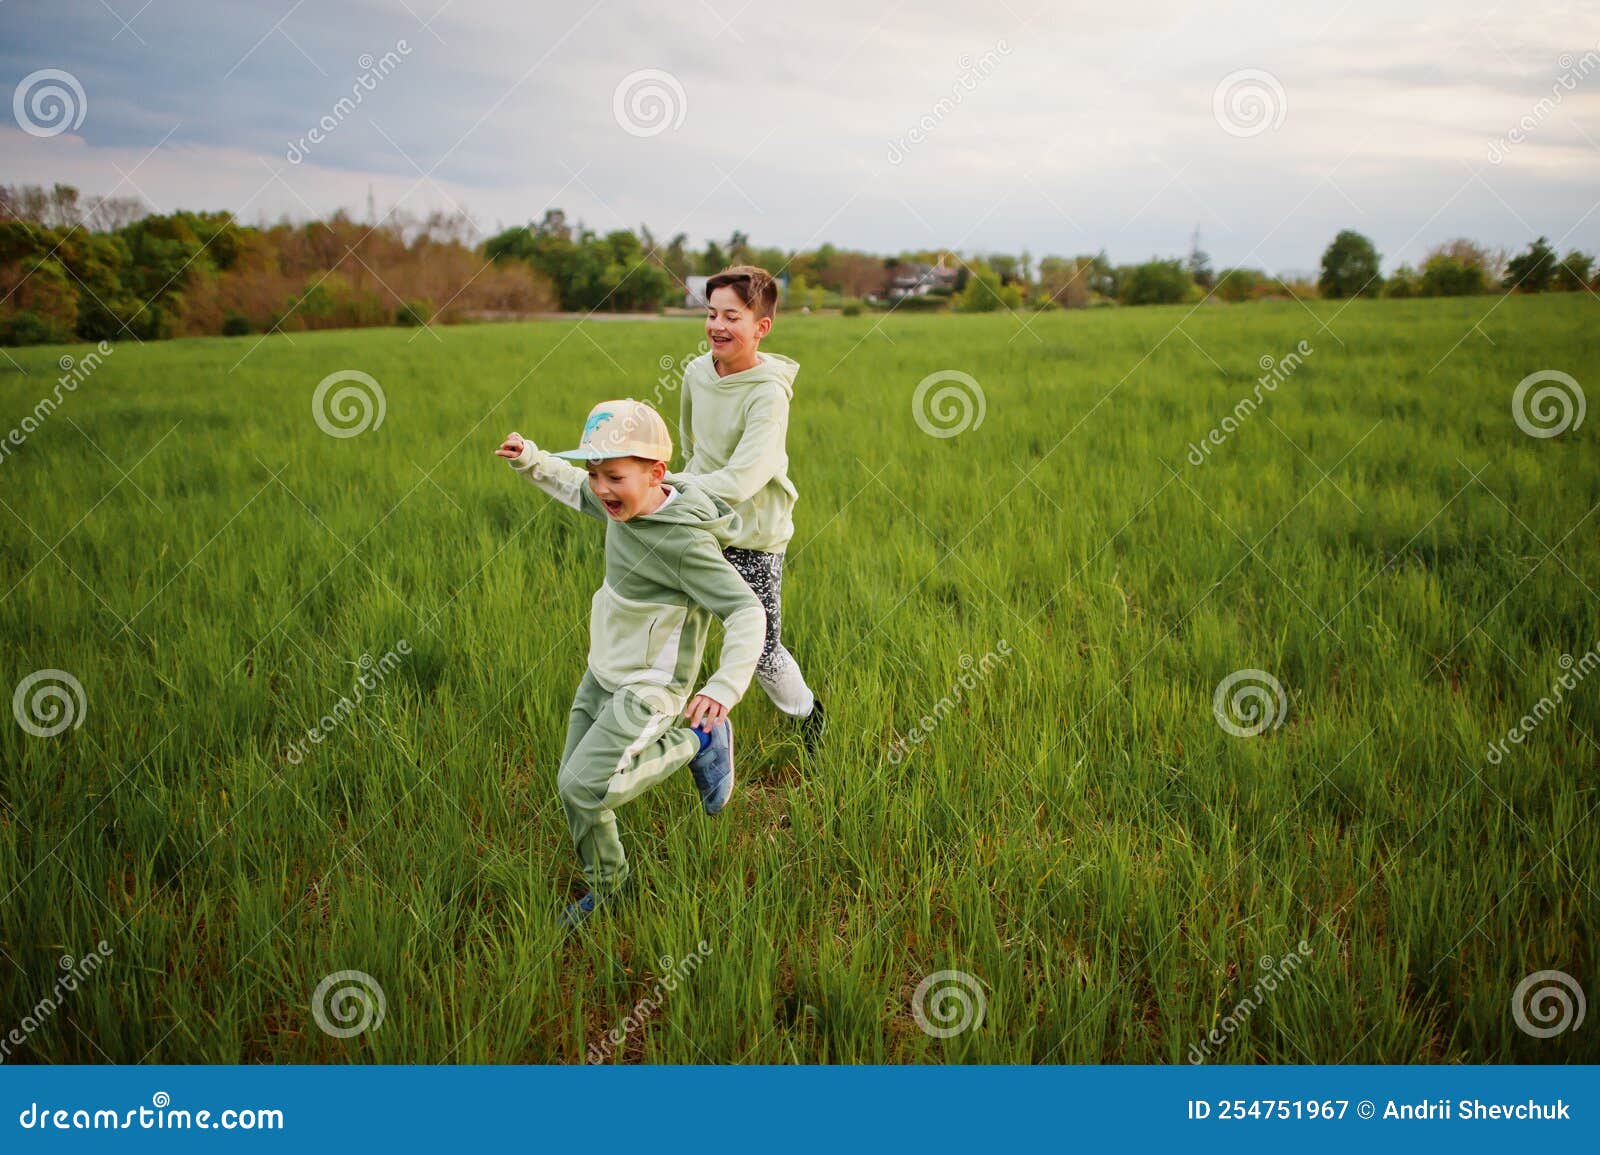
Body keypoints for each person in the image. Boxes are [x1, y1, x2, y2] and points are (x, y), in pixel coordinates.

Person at [495, 398, 766, 929]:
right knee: (574, 788)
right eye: (597, 473)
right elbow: (572, 486)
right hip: (602, 674)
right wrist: (529, 457)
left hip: (651, 688)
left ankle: (700, 740)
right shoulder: (621, 500)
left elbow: (744, 610)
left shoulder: (684, 542)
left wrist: (725, 685)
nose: (600, 488)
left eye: (613, 476)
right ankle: (610, 887)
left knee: (583, 785)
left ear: (655, 473)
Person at [676, 264, 825, 753]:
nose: (717, 326)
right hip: (700, 522)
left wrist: (670, 492)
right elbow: (690, 445)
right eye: (712, 313)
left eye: (732, 317)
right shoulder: (697, 372)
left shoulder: (767, 392)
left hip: (753, 534)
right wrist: (678, 491)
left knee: (760, 649)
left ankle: (809, 719)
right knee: (670, 624)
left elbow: (744, 477)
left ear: (761, 326)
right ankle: (672, 730)